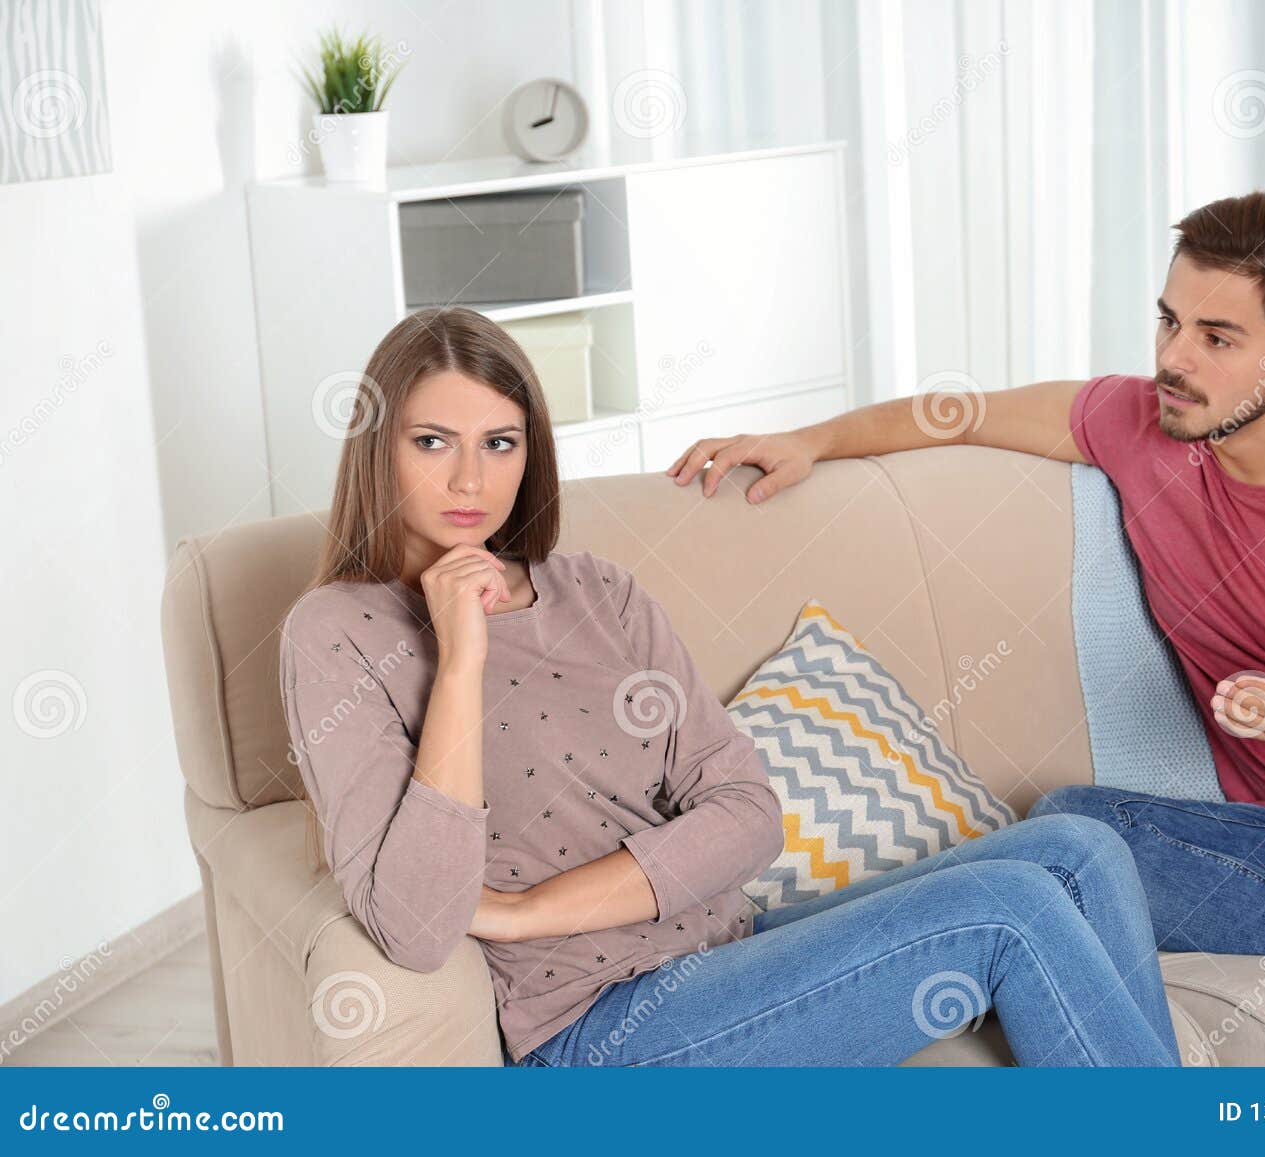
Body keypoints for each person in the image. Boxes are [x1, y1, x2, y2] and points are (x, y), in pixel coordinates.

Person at [664, 191, 1265, 1066]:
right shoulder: (1140, 422)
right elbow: (962, 415)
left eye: (1218, 336)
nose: (1174, 359)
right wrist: (812, 439)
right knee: (1075, 834)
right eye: (1169, 320)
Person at [278, 307, 1179, 1067]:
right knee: (1008, 910)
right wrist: (462, 657)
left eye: (499, 443)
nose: (470, 480)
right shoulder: (337, 633)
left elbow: (748, 811)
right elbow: (417, 925)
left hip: (733, 946)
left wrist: (524, 912)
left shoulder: (597, 590)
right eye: (433, 442)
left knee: (1079, 848)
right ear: (378, 450)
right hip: (602, 1027)